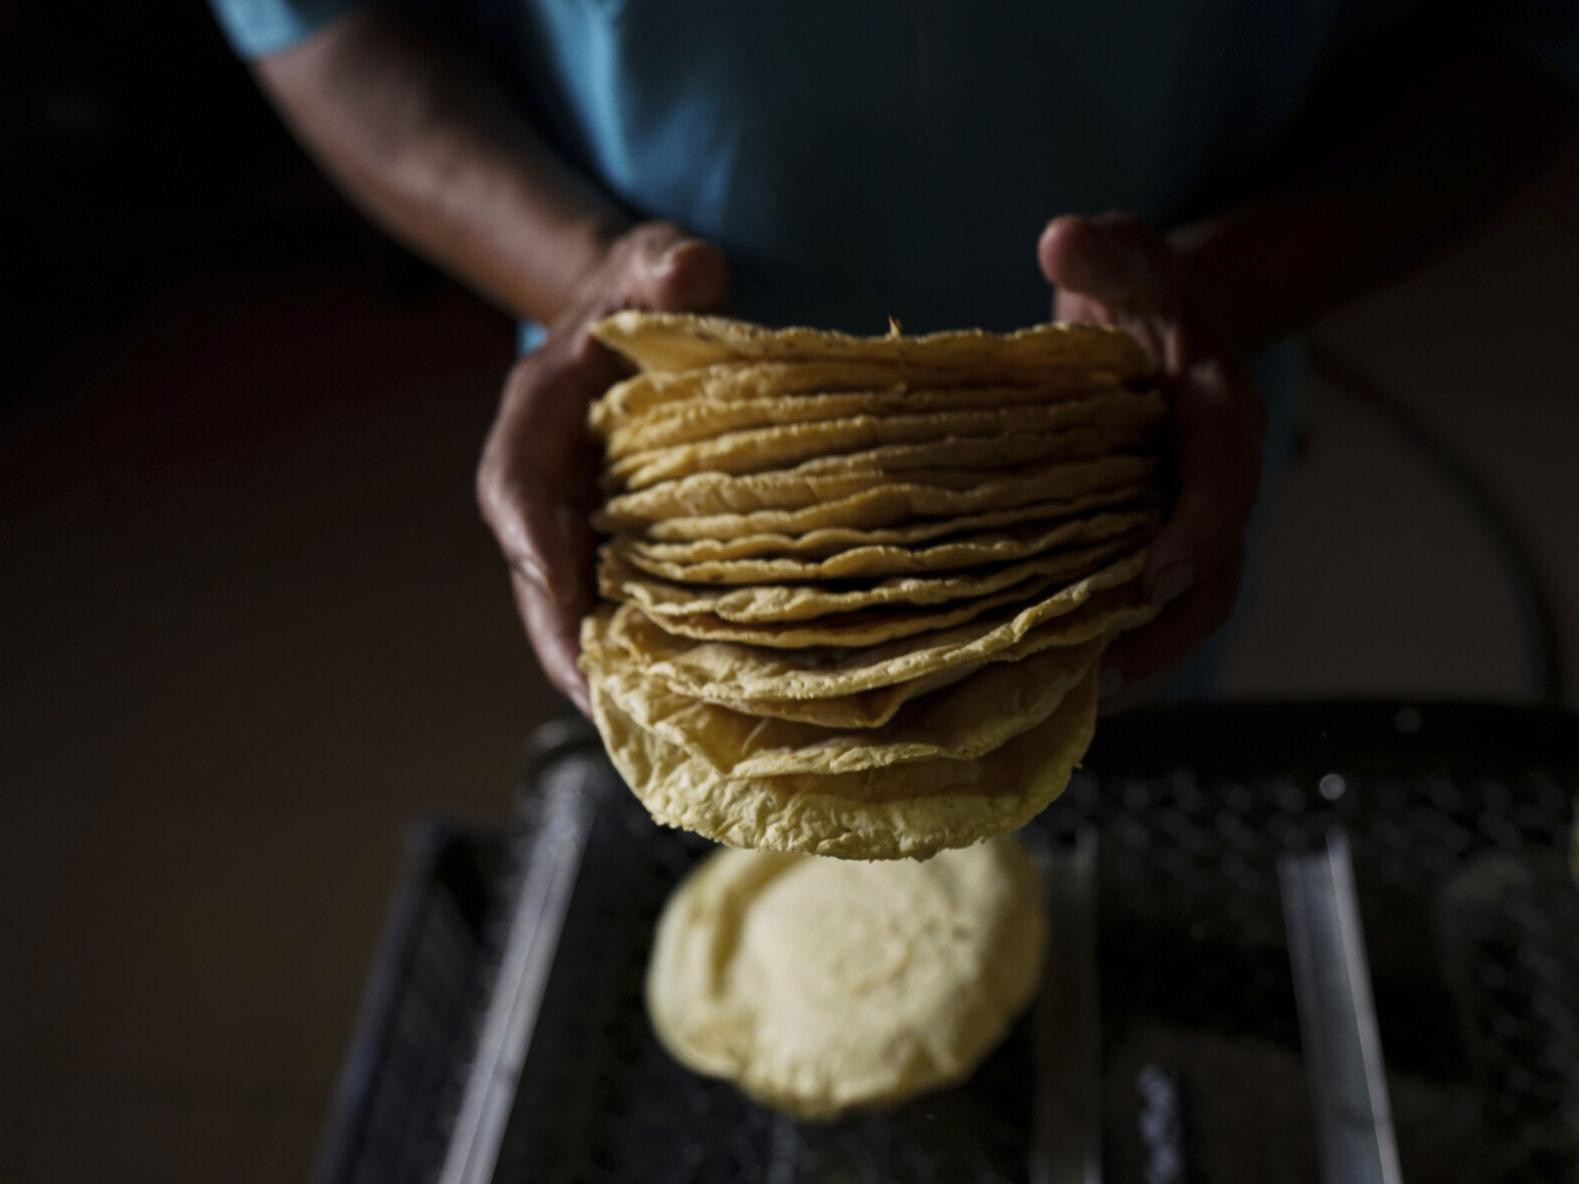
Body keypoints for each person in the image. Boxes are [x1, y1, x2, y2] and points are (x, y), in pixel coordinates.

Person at [211, 1, 1577, 715]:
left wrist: (1229, 289)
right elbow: (314, 14)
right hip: (670, 486)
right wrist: (585, 285)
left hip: (1133, 476)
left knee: (1098, 827)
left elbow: (1532, 30)